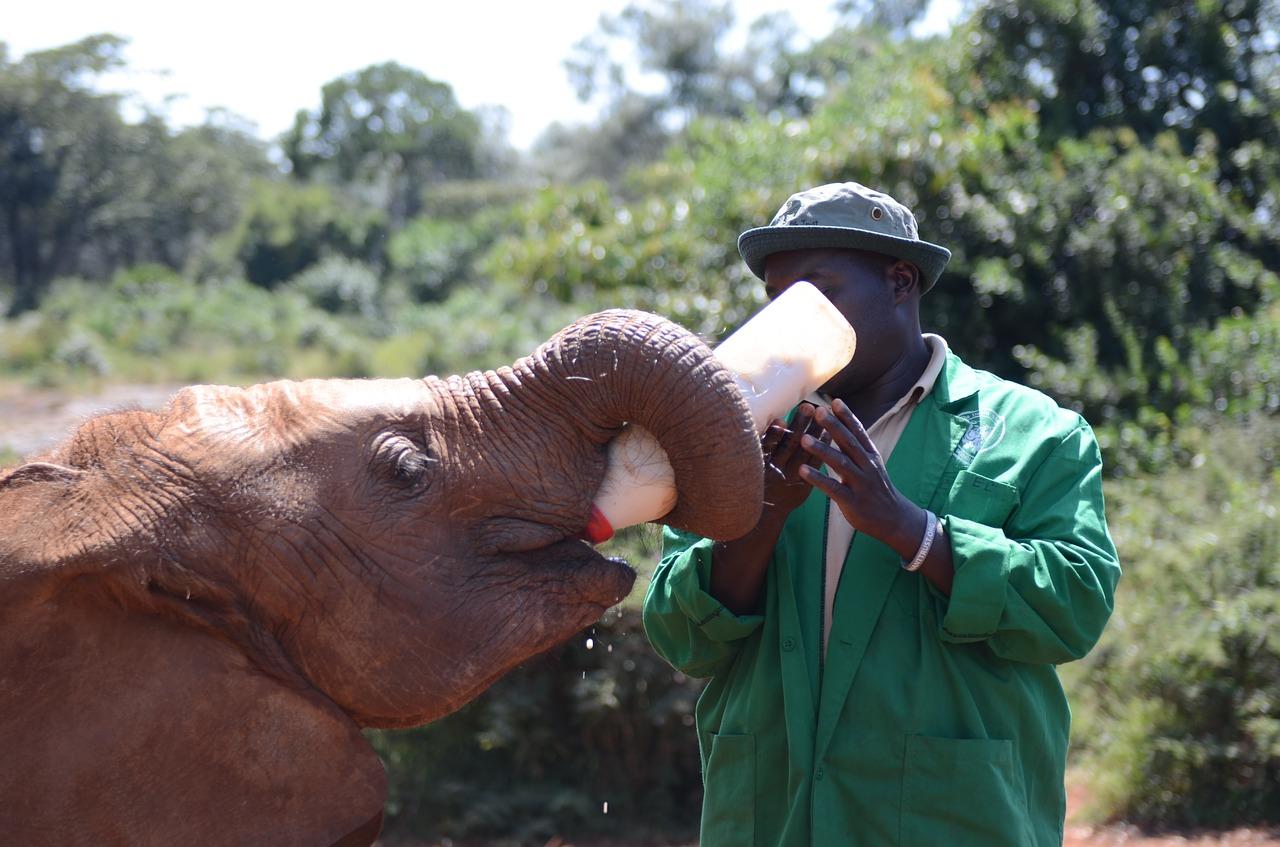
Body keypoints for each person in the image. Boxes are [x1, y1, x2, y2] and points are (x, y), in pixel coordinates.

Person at [642, 182, 1121, 846]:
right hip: (772, 819)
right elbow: (678, 633)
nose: (789, 321)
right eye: (775, 301)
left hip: (953, 820)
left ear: (900, 282)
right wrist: (761, 522)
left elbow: (1076, 604)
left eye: (816, 294)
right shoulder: (736, 438)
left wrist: (912, 529)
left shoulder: (1035, 432)